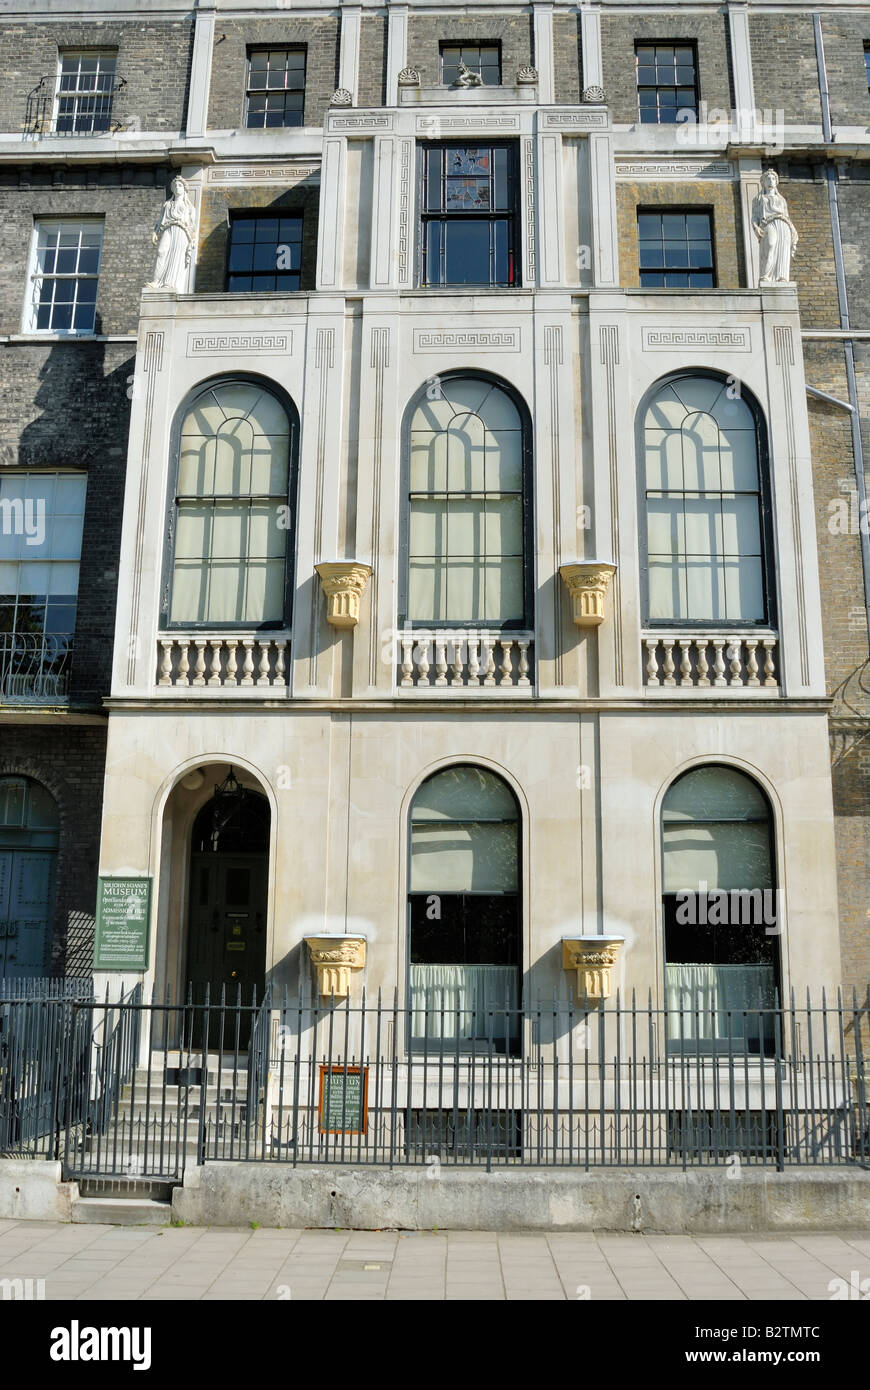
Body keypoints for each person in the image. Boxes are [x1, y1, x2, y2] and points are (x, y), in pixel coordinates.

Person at [146, 176, 195, 292]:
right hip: (168, 229)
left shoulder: (189, 207)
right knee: (161, 252)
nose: (177, 188)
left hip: (181, 231)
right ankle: (156, 281)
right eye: (175, 186)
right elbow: (160, 220)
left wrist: (192, 240)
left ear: (184, 189)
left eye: (180, 185)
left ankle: (169, 283)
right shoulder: (168, 204)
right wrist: (155, 232)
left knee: (176, 256)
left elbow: (192, 225)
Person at [752, 169, 798, 285]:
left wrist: (792, 229)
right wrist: (755, 227)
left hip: (783, 224)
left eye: (773, 179)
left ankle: (782, 277)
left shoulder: (781, 199)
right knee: (771, 245)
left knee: (783, 250)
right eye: (768, 179)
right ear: (763, 182)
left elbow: (786, 215)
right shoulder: (759, 199)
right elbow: (755, 217)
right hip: (768, 224)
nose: (771, 181)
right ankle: (765, 276)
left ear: (776, 182)